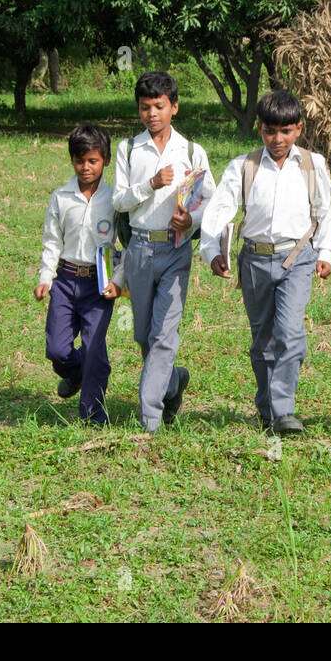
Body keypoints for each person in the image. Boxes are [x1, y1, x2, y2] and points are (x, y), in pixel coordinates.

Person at [201, 91, 331, 434]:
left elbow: (326, 207)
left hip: (298, 258)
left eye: (287, 131)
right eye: (270, 131)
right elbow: (219, 209)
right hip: (255, 261)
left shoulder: (312, 164)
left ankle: (283, 410)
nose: (278, 140)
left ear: (299, 129)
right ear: (259, 129)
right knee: (262, 338)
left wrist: (324, 252)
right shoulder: (243, 166)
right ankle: (266, 407)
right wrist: (211, 250)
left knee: (290, 333)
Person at [113, 71, 214, 432]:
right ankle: (173, 381)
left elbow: (207, 200)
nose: (152, 113)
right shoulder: (128, 149)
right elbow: (119, 200)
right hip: (138, 249)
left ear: (174, 106)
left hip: (176, 251)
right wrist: (150, 184)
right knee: (143, 335)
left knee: (163, 335)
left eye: (159, 106)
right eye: (145, 107)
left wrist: (190, 220)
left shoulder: (190, 151)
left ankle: (150, 416)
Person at [34, 124, 122, 426]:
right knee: (57, 349)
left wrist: (118, 280)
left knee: (94, 347)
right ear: (72, 160)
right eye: (79, 160)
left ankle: (93, 414)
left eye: (93, 161)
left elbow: (125, 243)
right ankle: (76, 372)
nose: (85, 167)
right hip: (65, 280)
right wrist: (46, 278)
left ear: (106, 160)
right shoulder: (61, 197)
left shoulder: (115, 200)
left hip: (99, 283)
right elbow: (51, 240)